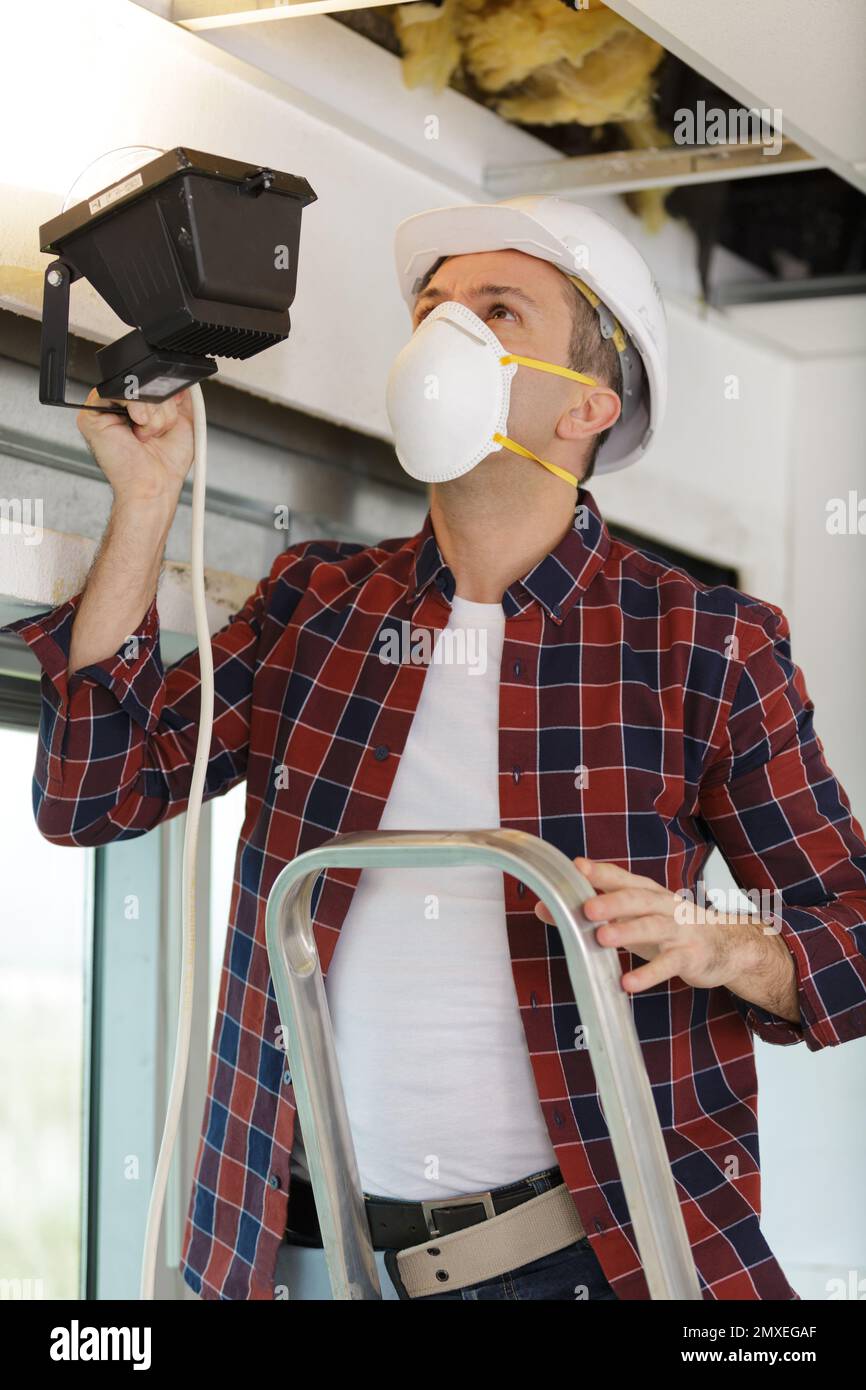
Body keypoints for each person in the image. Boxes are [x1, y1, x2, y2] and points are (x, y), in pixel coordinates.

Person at [5, 197, 866, 1302]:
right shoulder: (314, 607)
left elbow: (852, 935)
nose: (441, 336)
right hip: (299, 1259)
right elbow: (93, 792)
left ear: (584, 409)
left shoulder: (703, 645)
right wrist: (145, 498)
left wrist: (723, 942)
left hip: (580, 1268)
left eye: (495, 310)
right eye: (430, 308)